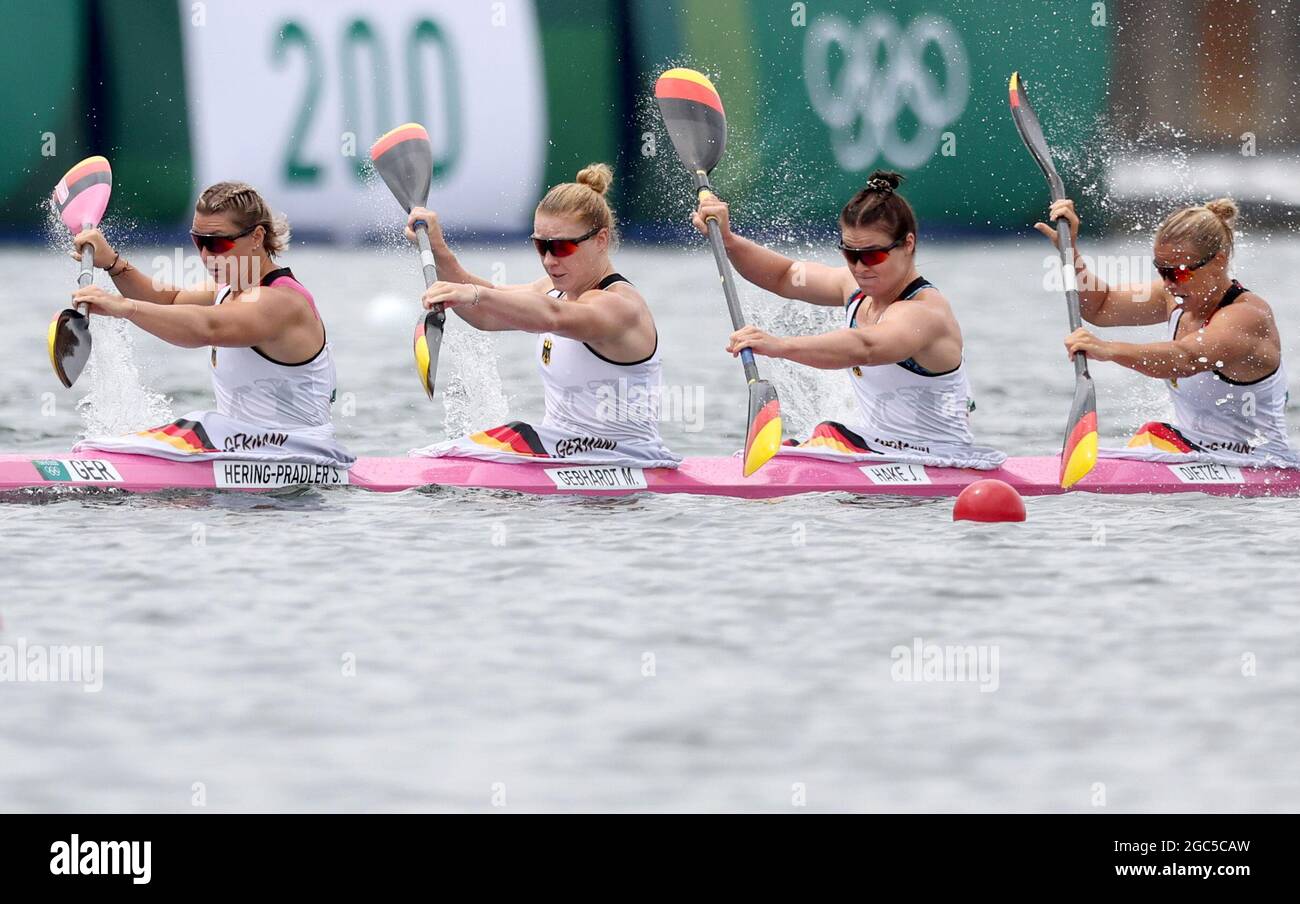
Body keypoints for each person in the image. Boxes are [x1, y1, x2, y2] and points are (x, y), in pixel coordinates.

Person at [695, 170, 1003, 468]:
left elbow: (865, 347)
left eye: (872, 255)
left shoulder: (923, 312)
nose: (859, 267)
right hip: (877, 453)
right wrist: (729, 239)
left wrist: (779, 345)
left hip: (938, 460)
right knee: (800, 446)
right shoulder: (854, 289)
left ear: (908, 244)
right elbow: (785, 276)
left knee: (824, 435)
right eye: (849, 253)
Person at [407, 163, 679, 469]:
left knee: (509, 436)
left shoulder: (620, 307)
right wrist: (439, 248)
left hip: (624, 459)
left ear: (601, 240)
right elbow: (486, 314)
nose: (549, 260)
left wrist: (472, 293)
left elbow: (552, 316)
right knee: (500, 440)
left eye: (562, 247)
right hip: (565, 454)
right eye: (541, 245)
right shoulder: (553, 289)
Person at [66, 181, 352, 467]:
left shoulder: (280, 302)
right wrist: (113, 263)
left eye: (217, 243)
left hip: (301, 454)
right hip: (250, 450)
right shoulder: (227, 288)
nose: (205, 255)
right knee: (194, 427)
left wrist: (124, 308)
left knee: (200, 424)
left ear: (256, 237)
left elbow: (207, 328)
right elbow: (172, 300)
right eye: (198, 241)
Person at [1039, 196, 1297, 466]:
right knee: (1154, 433)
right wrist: (1070, 252)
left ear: (1218, 262)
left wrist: (1109, 350)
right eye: (1161, 271)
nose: (1168, 283)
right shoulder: (1171, 295)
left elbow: (1185, 358)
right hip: (1195, 452)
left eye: (1179, 273)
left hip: (1259, 465)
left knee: (1154, 434)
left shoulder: (1246, 316)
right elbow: (1100, 307)